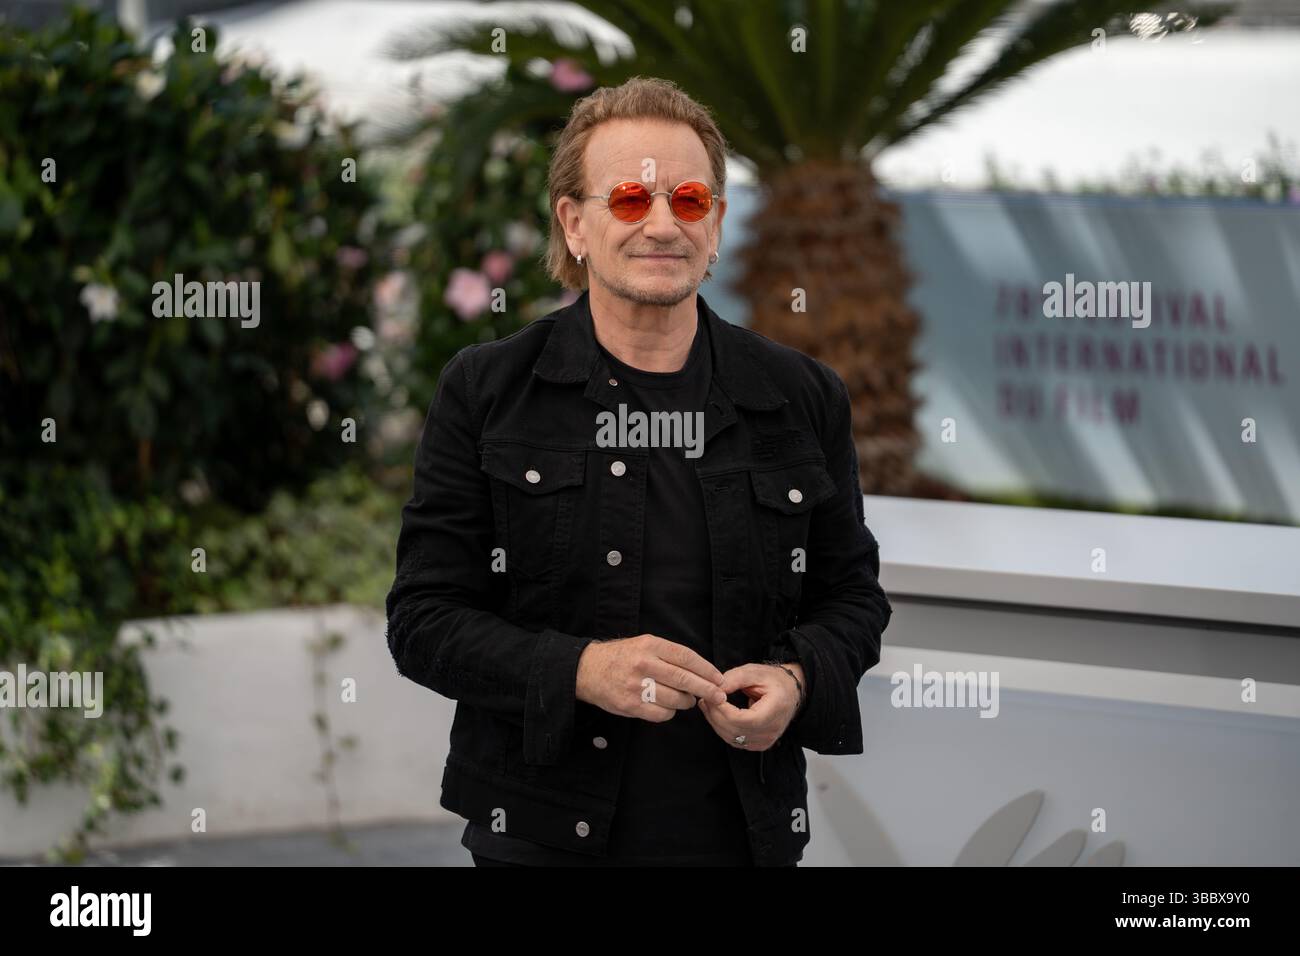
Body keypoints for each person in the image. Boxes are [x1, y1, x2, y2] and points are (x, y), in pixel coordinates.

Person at [385, 76, 892, 867]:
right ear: (574, 223)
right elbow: (423, 620)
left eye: (689, 200)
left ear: (717, 224)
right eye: (629, 199)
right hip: (542, 837)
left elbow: (853, 597)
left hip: (741, 837)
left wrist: (796, 680)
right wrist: (581, 669)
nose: (663, 224)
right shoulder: (487, 391)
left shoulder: (799, 397)